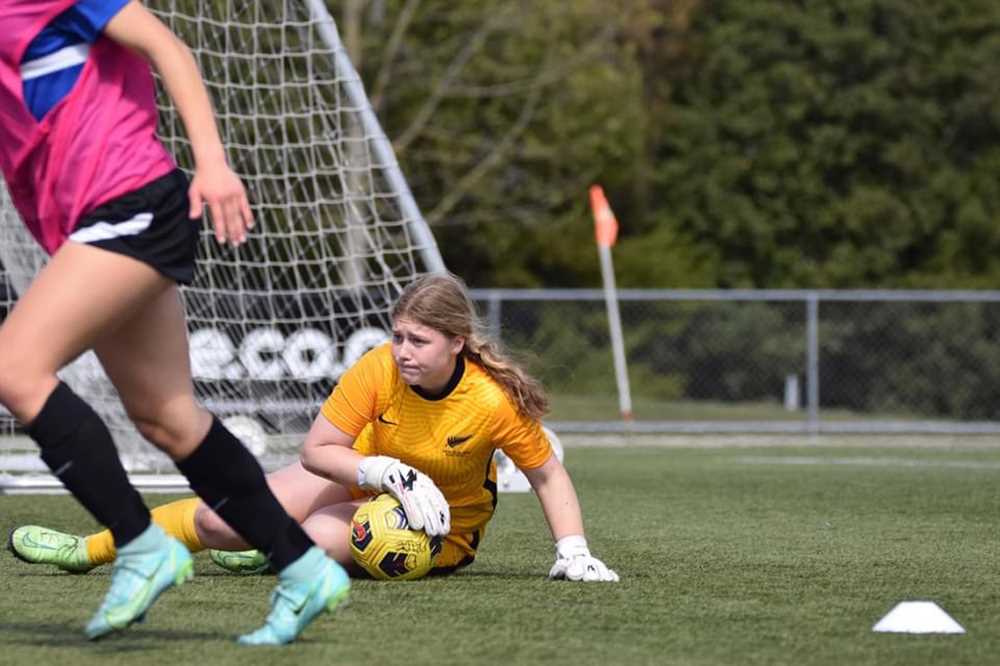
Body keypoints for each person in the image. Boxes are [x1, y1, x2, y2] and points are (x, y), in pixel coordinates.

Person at [0, 0, 349, 645]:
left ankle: (141, 546)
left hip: (130, 205)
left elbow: (170, 49)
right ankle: (303, 569)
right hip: (95, 226)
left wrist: (212, 163)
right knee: (169, 418)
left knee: (14, 368)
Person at [10, 273, 619, 583]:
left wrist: (574, 551)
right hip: (367, 483)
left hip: (436, 531)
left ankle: (273, 548)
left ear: (457, 342)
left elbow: (546, 473)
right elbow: (316, 451)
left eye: (419, 340)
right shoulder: (377, 368)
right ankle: (88, 551)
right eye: (397, 335)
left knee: (314, 547)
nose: (402, 350)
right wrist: (384, 470)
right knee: (223, 516)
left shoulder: (490, 401)